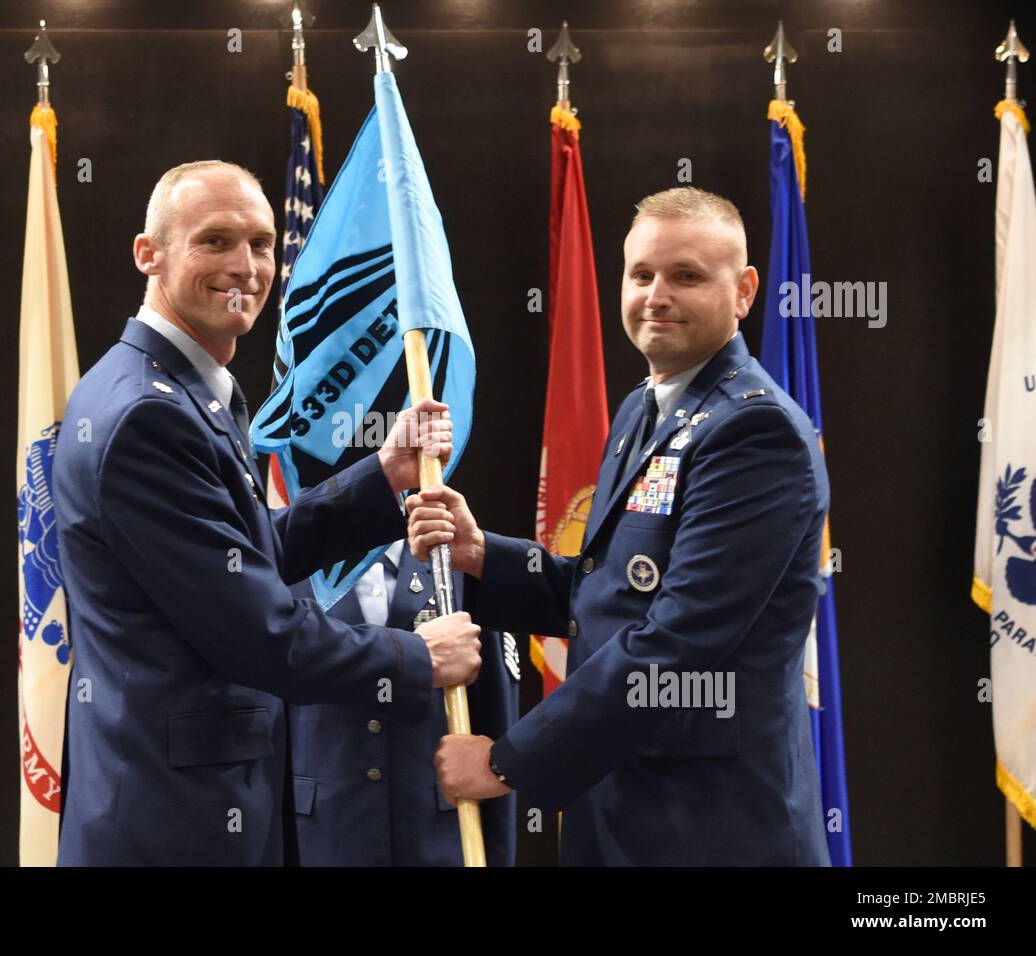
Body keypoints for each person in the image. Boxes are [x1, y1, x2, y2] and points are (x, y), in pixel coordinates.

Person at [53, 160, 482, 866]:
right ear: (148, 253)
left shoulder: (178, 389)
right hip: (171, 826)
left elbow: (237, 557)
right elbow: (255, 626)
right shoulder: (145, 416)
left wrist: (381, 478)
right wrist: (416, 657)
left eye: (259, 243)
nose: (246, 266)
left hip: (188, 805)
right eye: (214, 241)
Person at [410, 187, 831, 866]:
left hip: (710, 829)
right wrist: (484, 556)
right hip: (620, 812)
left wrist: (509, 762)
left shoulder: (754, 432)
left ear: (745, 290)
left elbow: (677, 641)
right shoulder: (645, 407)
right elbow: (610, 592)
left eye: (686, 276)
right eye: (642, 275)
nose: (656, 296)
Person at [288, 540, 520, 866]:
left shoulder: (458, 566)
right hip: (321, 838)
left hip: (438, 841)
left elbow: (497, 727)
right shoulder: (291, 569)